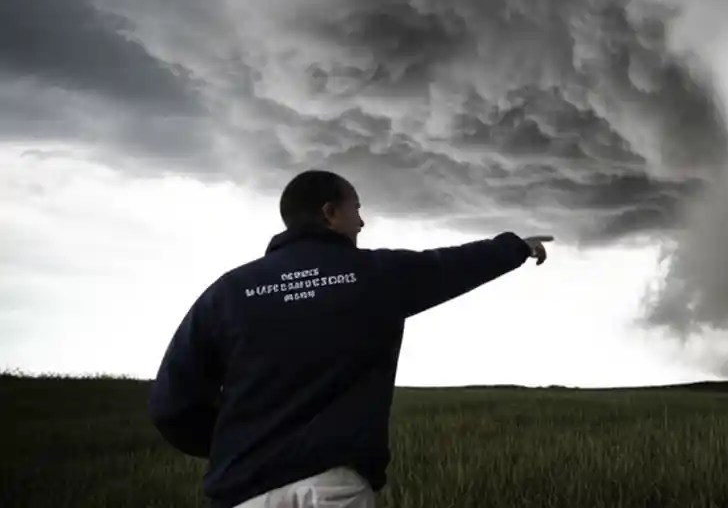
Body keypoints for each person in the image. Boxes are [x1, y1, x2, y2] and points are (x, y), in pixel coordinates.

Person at [147, 170, 552, 508]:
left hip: (243, 491)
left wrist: (234, 446)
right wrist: (516, 248)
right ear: (330, 213)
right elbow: (450, 267)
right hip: (332, 489)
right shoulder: (375, 275)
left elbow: (171, 404)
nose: (362, 221)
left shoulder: (229, 292)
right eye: (356, 208)